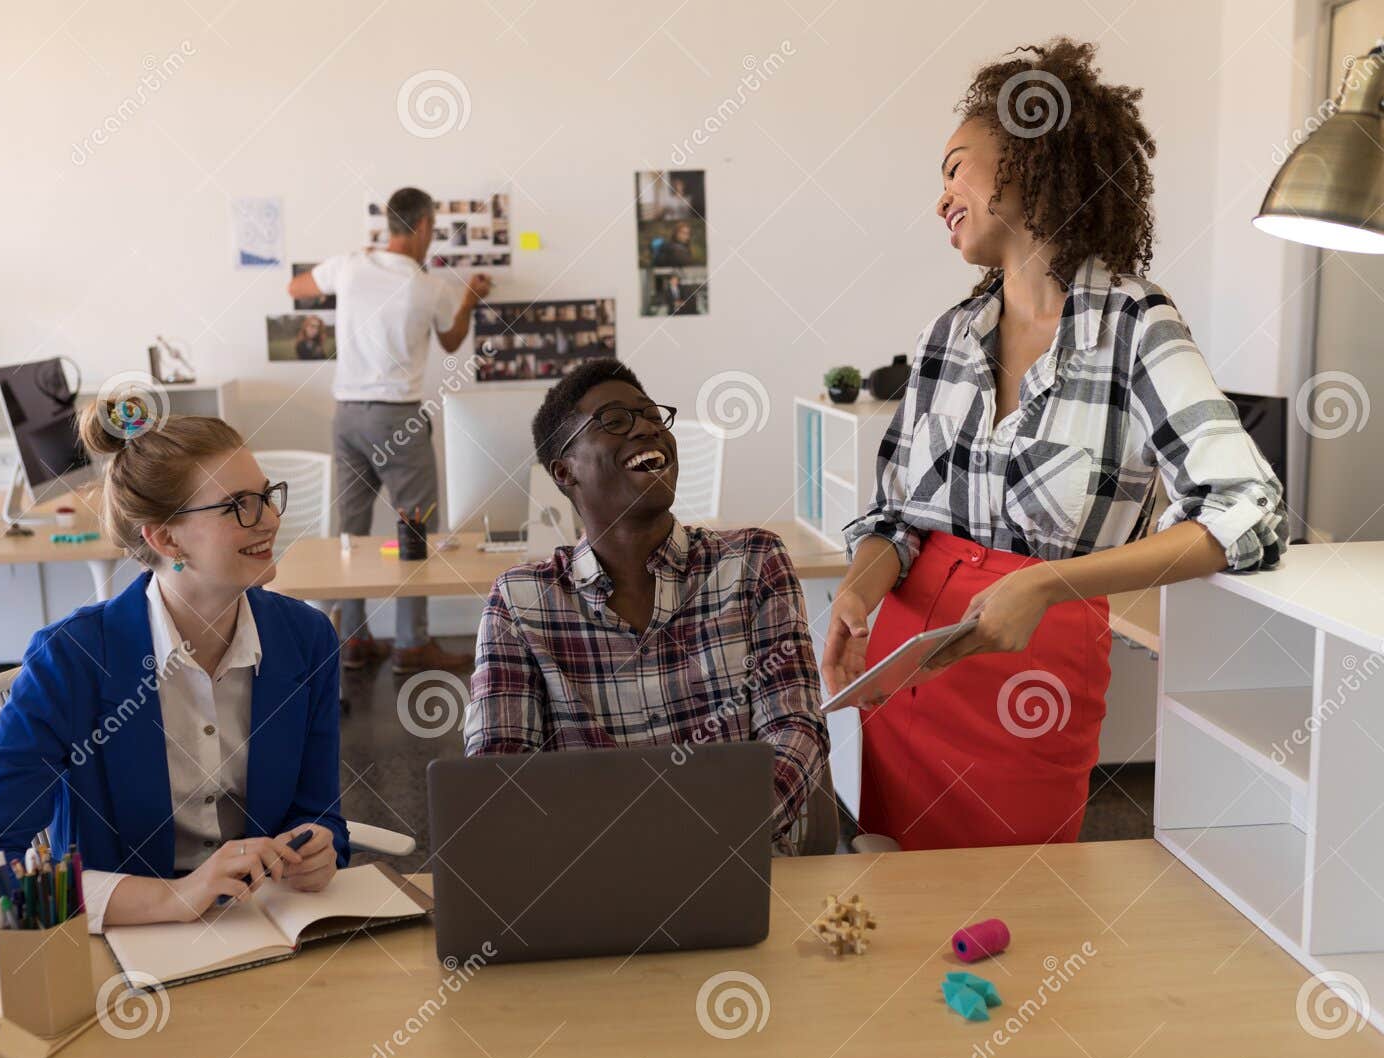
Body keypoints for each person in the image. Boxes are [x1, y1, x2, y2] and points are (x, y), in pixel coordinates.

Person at [821, 39, 1289, 851]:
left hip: (1030, 677)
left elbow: (1245, 511)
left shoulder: (1135, 326)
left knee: (1023, 925)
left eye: (955, 168)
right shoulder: (946, 338)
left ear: (1029, 161)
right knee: (897, 927)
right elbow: (895, 518)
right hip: (906, 673)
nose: (940, 199)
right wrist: (858, 592)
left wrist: (1048, 584)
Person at [0, 398, 349, 930]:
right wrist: (175, 897)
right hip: (124, 950)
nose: (270, 518)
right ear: (165, 537)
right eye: (239, 505)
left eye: (268, 497)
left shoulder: (307, 638)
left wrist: (319, 847)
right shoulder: (71, 661)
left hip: (268, 928)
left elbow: (320, 816)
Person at [463, 358, 828, 851]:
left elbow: (796, 728)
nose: (648, 429)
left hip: (743, 864)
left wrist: (718, 835)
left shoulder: (753, 561)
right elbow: (498, 777)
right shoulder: (521, 602)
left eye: (653, 415)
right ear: (564, 471)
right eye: (615, 420)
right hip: (590, 882)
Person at [290, 187, 492, 675]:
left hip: (347, 415)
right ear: (423, 225)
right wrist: (469, 299)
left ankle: (354, 639)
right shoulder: (428, 287)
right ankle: (411, 644)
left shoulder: (351, 264)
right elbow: (449, 340)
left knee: (351, 531)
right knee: (416, 530)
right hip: (397, 418)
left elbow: (296, 288)